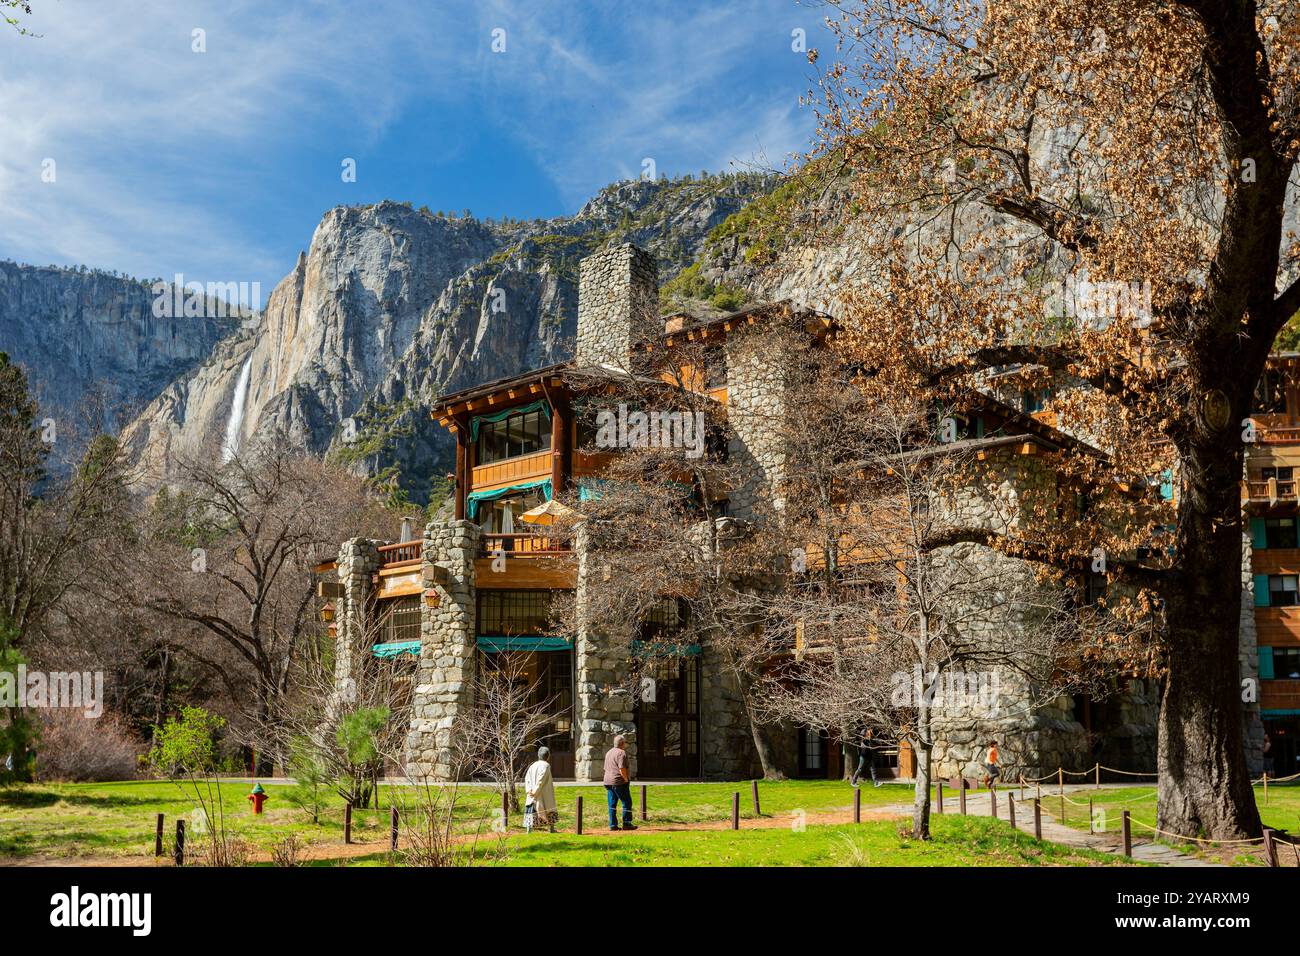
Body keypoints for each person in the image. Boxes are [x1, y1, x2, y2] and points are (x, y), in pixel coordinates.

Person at [603, 735, 636, 831]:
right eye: (625, 742)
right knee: (626, 802)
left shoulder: (609, 752)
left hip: (607, 781)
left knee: (612, 804)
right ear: (622, 743)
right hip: (618, 781)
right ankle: (627, 823)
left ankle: (613, 825)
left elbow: (605, 768)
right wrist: (626, 779)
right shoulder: (621, 753)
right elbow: (622, 768)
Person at [523, 746, 557, 833]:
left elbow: (527, 778)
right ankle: (551, 829)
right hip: (543, 793)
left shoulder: (533, 765)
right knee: (548, 808)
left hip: (533, 793)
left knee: (532, 809)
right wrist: (534, 791)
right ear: (548, 756)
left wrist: (529, 790)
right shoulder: (546, 766)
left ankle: (529, 830)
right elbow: (541, 780)